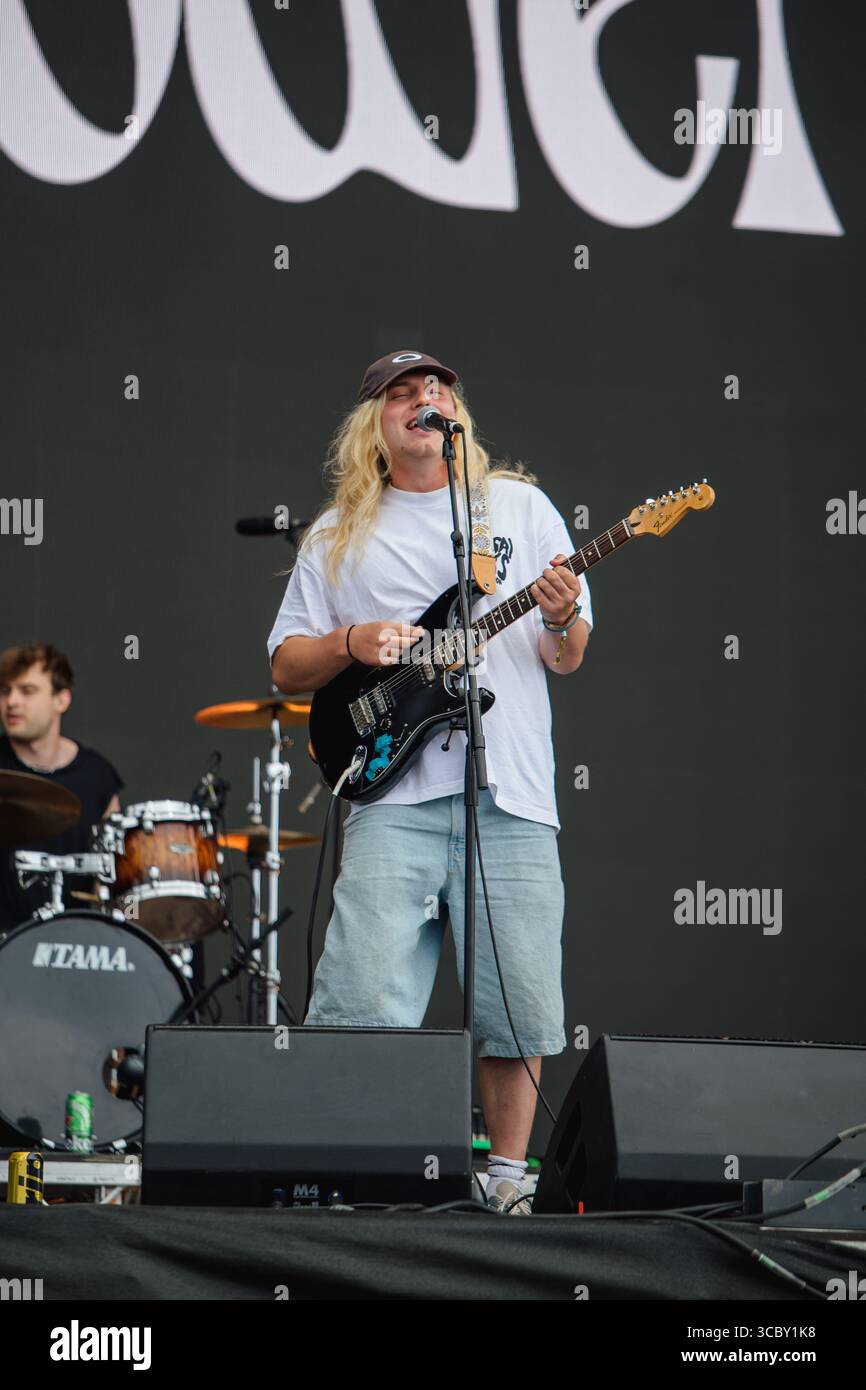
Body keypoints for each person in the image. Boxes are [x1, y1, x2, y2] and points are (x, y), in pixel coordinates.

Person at [268, 350, 593, 1214]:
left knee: (517, 999)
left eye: (437, 389)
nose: (425, 399)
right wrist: (351, 643)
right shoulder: (339, 532)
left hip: (510, 792)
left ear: (456, 414)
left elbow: (567, 654)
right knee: (359, 996)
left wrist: (561, 613)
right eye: (402, 393)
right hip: (392, 795)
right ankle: (343, 1176)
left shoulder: (516, 508)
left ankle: (509, 1183)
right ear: (373, 424)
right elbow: (285, 664)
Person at [0, 643, 123, 929]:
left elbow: (112, 877)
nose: (12, 702)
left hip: (74, 946)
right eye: (6, 691)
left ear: (61, 700)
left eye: (27, 691)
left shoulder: (97, 777)